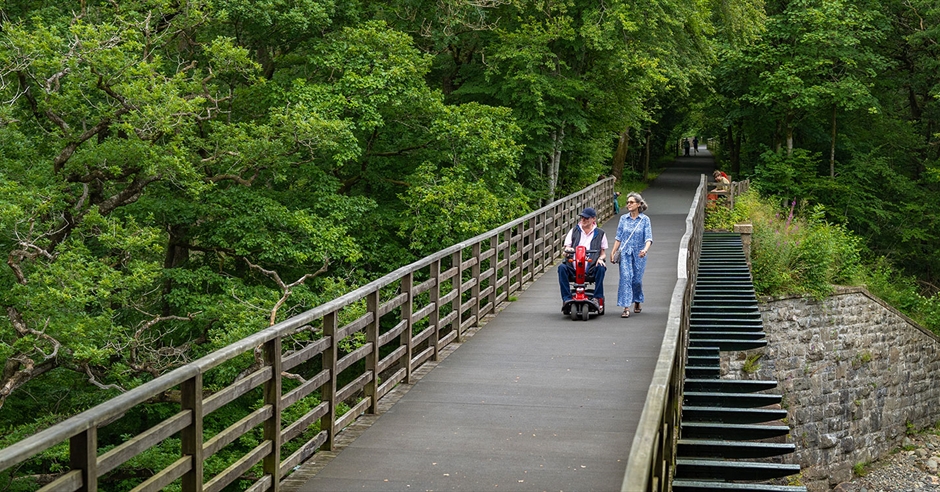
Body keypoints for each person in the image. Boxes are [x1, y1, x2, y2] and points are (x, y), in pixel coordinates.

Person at [558, 207, 607, 313]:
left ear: (593, 219)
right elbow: (566, 248)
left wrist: (600, 258)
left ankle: (597, 298)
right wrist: (568, 250)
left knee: (601, 268)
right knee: (561, 268)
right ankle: (566, 298)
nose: (583, 220)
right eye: (582, 218)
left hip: (591, 266)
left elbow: (603, 253)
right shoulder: (574, 230)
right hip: (574, 265)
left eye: (586, 218)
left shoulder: (600, 233)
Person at [611, 192, 652, 318]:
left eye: (631, 202)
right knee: (626, 278)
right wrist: (613, 252)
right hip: (625, 252)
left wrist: (645, 250)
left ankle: (638, 300)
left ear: (638, 204)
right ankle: (626, 307)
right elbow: (619, 237)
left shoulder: (645, 220)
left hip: (639, 253)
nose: (628, 204)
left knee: (637, 280)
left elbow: (649, 238)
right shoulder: (623, 219)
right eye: (627, 202)